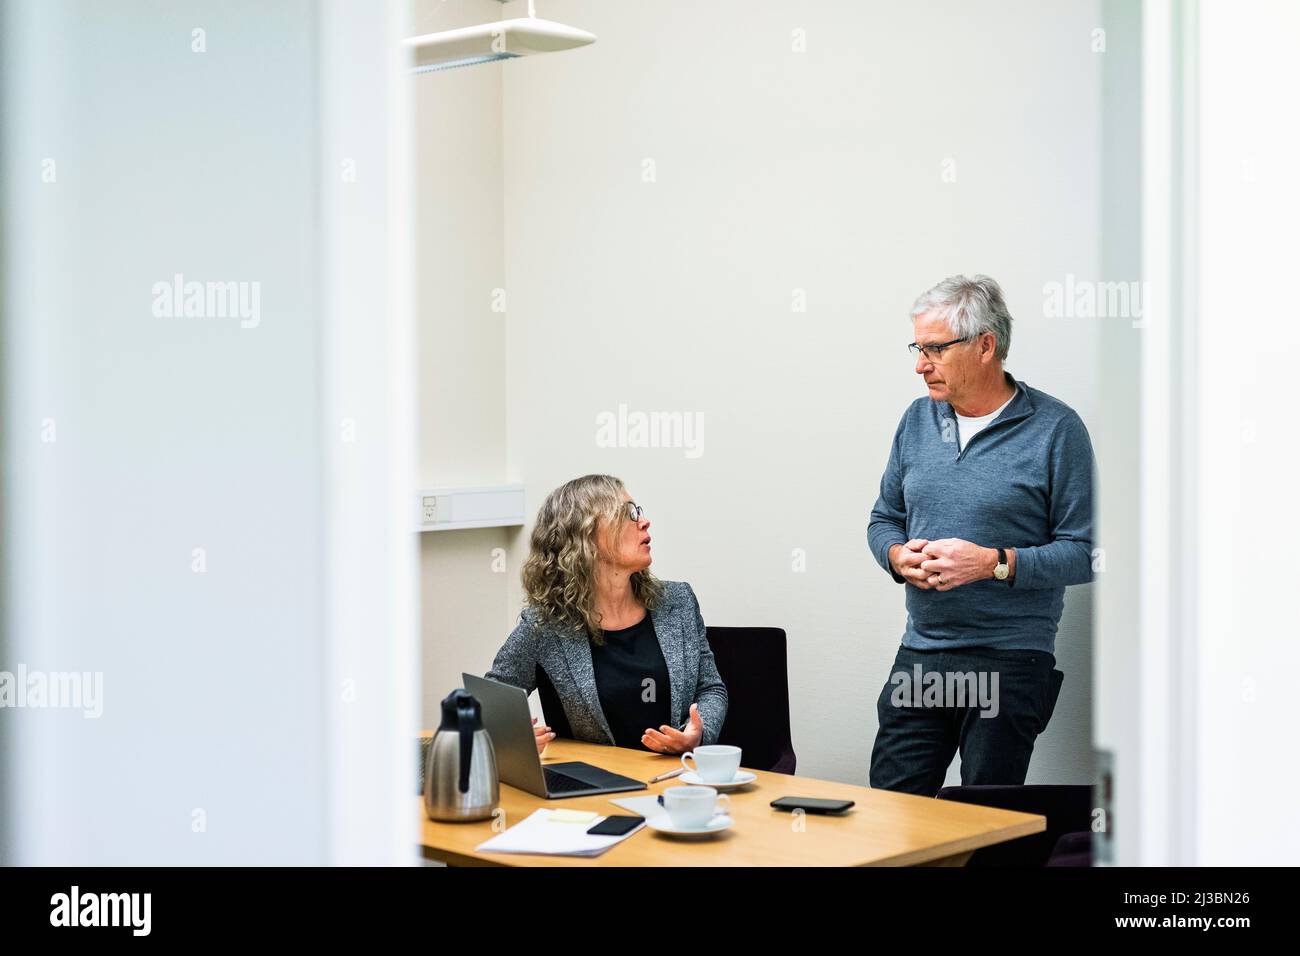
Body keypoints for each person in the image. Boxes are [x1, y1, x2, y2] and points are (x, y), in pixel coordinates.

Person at [867, 274, 1094, 795]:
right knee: (891, 812)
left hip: (1010, 661)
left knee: (987, 825)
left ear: (986, 346)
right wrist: (897, 556)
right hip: (922, 653)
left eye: (935, 349)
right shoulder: (917, 420)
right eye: (917, 348)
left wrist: (993, 563)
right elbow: (884, 518)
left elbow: (1086, 553)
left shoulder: (1057, 429)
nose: (920, 363)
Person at [486, 474, 727, 755]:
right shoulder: (545, 625)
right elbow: (488, 703)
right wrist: (511, 733)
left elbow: (711, 689)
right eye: (627, 513)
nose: (644, 521)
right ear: (585, 536)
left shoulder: (678, 602)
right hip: (590, 789)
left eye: (639, 511)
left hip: (672, 782)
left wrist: (696, 734)